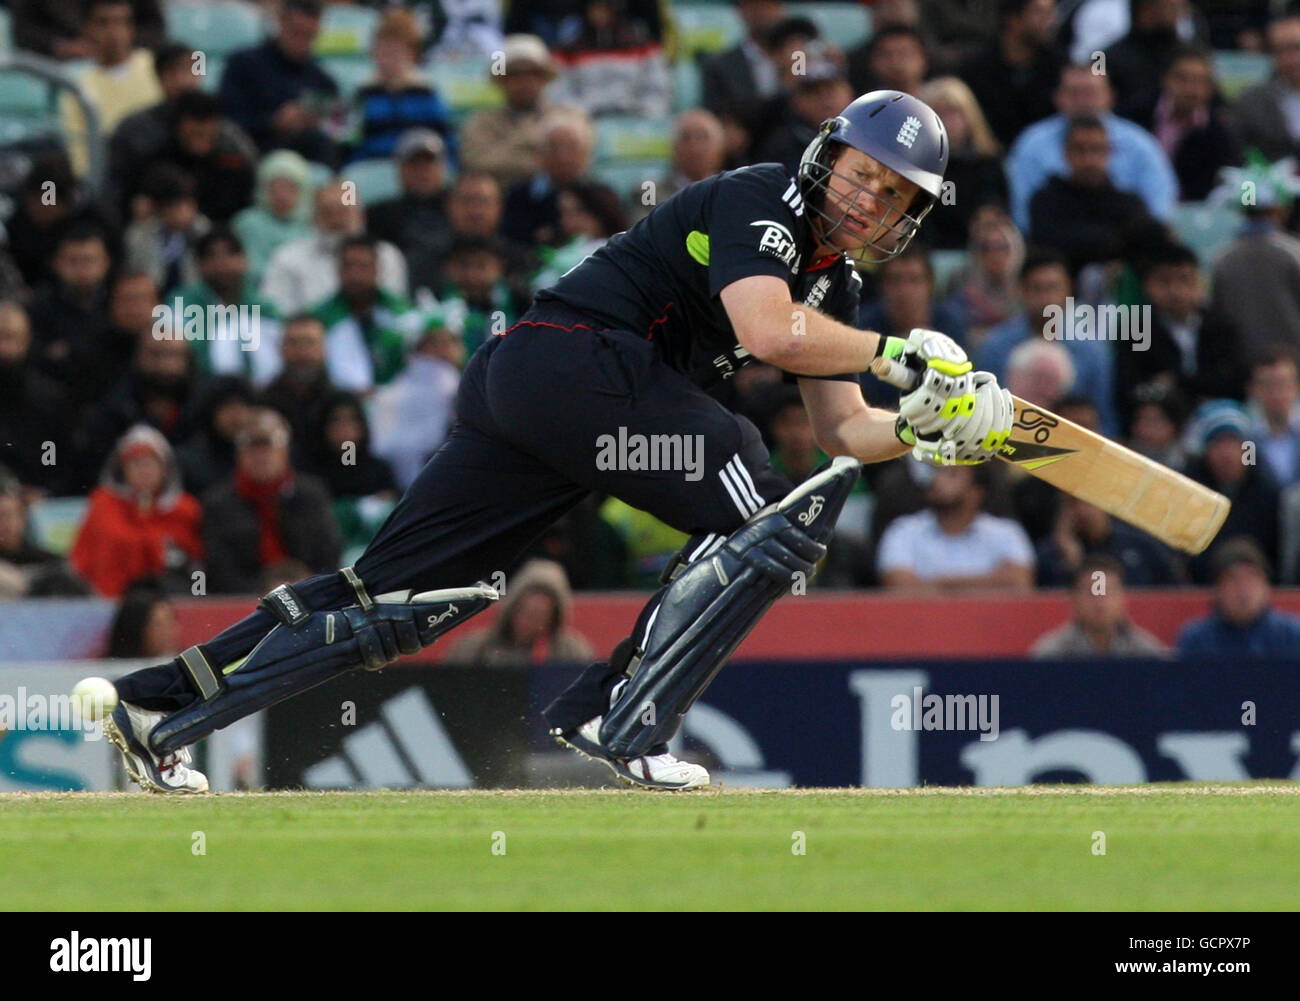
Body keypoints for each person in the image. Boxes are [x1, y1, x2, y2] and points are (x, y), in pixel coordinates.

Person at [95, 90, 1015, 795]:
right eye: (862, 172)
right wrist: (904, 355)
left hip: (534, 387)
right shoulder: (761, 197)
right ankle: (629, 719)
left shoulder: (838, 292)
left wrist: (925, 428)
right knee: (772, 509)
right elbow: (770, 332)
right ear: (828, 155)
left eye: (892, 193)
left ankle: (158, 711)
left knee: (403, 601)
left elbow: (843, 431)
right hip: (578, 366)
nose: (867, 199)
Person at [1005, 62, 1177, 231]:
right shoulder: (1032, 144)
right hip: (1053, 244)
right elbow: (1022, 211)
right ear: (1057, 97)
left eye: (1090, 92)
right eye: (1074, 93)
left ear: (1110, 95)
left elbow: (1159, 206)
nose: (1083, 101)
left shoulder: (1140, 144)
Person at [198, 408, 341, 595]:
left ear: (285, 451)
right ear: (239, 454)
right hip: (245, 602)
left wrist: (309, 588)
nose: (261, 456)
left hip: (309, 595)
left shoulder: (311, 495)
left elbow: (328, 553)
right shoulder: (218, 503)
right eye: (252, 448)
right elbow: (219, 568)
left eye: (269, 446)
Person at [70, 425, 204, 599]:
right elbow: (82, 559)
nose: (144, 470)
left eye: (150, 462)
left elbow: (198, 566)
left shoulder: (185, 509)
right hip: (107, 601)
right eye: (136, 462)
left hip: (169, 603)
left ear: (165, 468)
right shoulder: (103, 504)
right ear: (123, 469)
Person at [218, 0, 341, 166]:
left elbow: (339, 133)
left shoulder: (324, 81)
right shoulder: (243, 64)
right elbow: (227, 121)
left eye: (309, 36)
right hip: (254, 151)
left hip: (309, 155)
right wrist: (273, 122)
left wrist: (315, 124)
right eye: (296, 32)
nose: (302, 42)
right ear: (281, 22)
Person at [1028, 116, 1155, 276]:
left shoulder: (1130, 203)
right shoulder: (1045, 201)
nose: (1089, 159)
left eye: (1096, 149)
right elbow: (1050, 246)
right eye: (1080, 149)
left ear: (1109, 152)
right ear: (1066, 153)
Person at [877, 463, 1035, 591]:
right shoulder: (903, 531)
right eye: (937, 471)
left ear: (976, 492)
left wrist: (936, 583)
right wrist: (991, 581)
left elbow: (1019, 584)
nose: (937, 479)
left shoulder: (1007, 533)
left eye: (952, 474)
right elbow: (901, 588)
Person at [349, 9, 456, 164]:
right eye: (382, 52)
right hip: (372, 165)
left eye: (394, 53)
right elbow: (351, 144)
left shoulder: (426, 94)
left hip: (416, 168)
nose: (387, 60)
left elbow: (445, 141)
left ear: (411, 54)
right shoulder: (363, 95)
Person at [446, 559, 596, 666]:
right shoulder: (476, 648)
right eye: (526, 613)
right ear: (511, 609)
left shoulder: (572, 653)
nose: (529, 622)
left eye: (540, 616)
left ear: (553, 619)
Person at [459, 34, 561, 190]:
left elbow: (571, 163)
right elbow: (476, 164)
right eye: (515, 75)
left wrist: (505, 153)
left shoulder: (565, 117)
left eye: (533, 74)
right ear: (502, 81)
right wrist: (529, 141)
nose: (525, 82)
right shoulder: (480, 122)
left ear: (544, 79)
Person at [955, 0, 1059, 147]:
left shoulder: (1058, 67)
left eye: (1050, 13)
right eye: (1039, 13)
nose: (1051, 21)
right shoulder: (976, 69)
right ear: (1013, 19)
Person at [1177, 538, 1300, 655]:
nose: (1243, 590)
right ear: (1217, 589)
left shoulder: (1291, 635)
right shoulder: (1197, 639)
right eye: (1233, 580)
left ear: (1266, 586)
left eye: (1251, 579)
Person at [1031, 555, 1170, 658]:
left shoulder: (1147, 652)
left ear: (1122, 598)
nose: (1100, 601)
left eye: (1108, 592)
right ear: (1074, 599)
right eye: (1092, 592)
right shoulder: (1051, 653)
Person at [1036, 494, 1182, 587]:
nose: (1082, 511)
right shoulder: (1051, 553)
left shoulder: (1140, 545)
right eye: (1074, 504)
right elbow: (1048, 603)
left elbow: (1174, 592)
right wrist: (1073, 564)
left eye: (1089, 502)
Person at [106, 581, 181, 659]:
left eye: (171, 621)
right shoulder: (106, 668)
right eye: (158, 625)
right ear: (136, 629)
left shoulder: (181, 667)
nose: (169, 631)